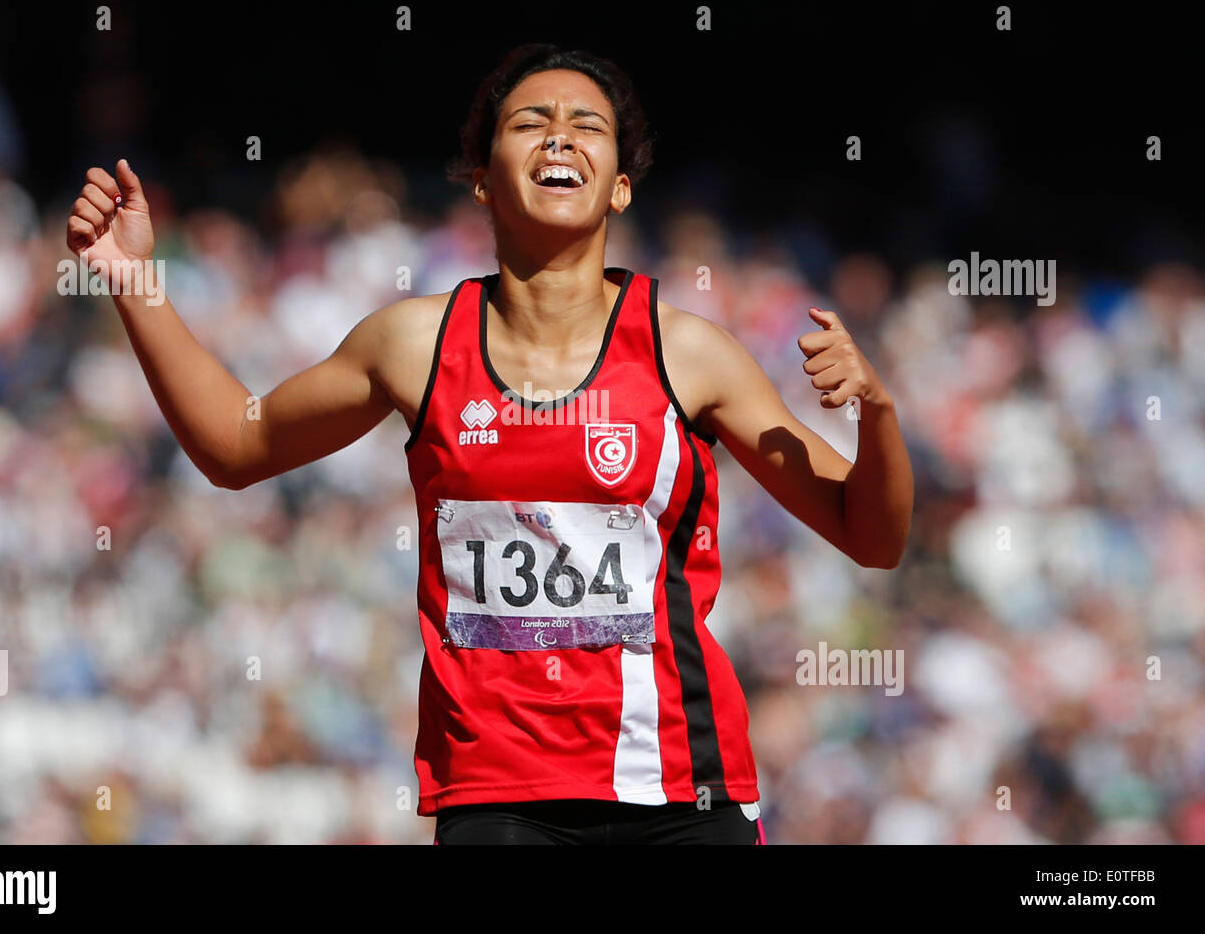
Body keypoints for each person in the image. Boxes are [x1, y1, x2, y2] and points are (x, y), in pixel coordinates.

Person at [65, 43, 913, 845]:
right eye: (529, 120)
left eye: (587, 125)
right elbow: (234, 446)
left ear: (620, 186)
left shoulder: (687, 353)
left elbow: (871, 536)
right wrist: (134, 280)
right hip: (497, 797)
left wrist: (878, 413)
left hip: (682, 787)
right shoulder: (412, 343)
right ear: (480, 181)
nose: (558, 135)